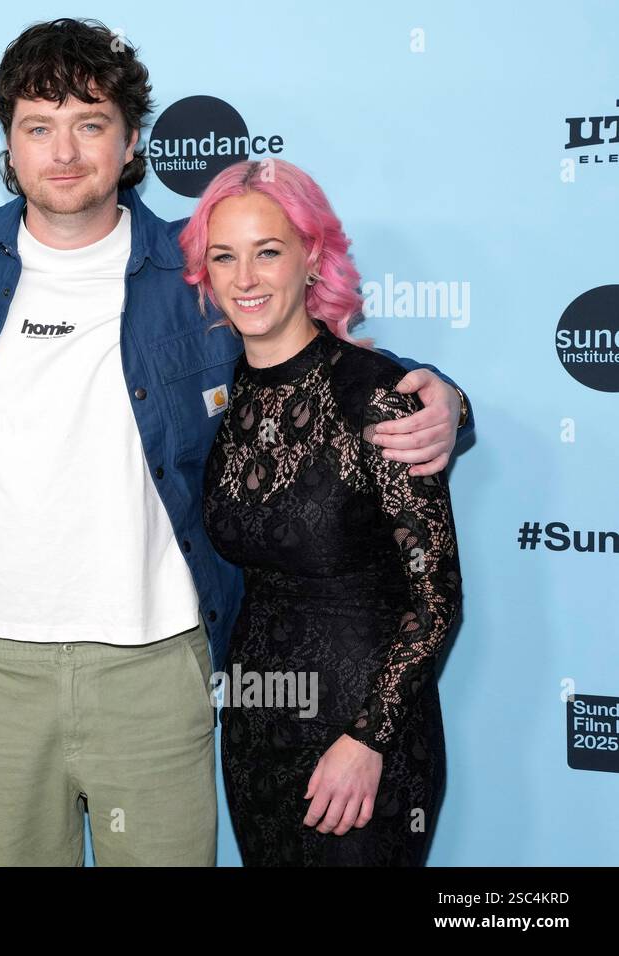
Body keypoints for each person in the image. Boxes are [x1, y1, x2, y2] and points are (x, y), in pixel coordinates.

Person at [0, 17, 472, 866]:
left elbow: (313, 353)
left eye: (91, 123)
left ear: (130, 140)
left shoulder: (190, 269)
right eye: (38, 127)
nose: (65, 151)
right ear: (9, 144)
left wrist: (444, 397)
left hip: (154, 671)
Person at [185, 158, 463, 865]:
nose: (245, 278)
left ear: (312, 258)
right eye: (225, 256)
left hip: (363, 735)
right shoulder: (224, 399)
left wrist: (368, 740)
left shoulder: (378, 395)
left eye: (268, 251)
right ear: (205, 273)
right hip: (255, 731)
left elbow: (436, 600)